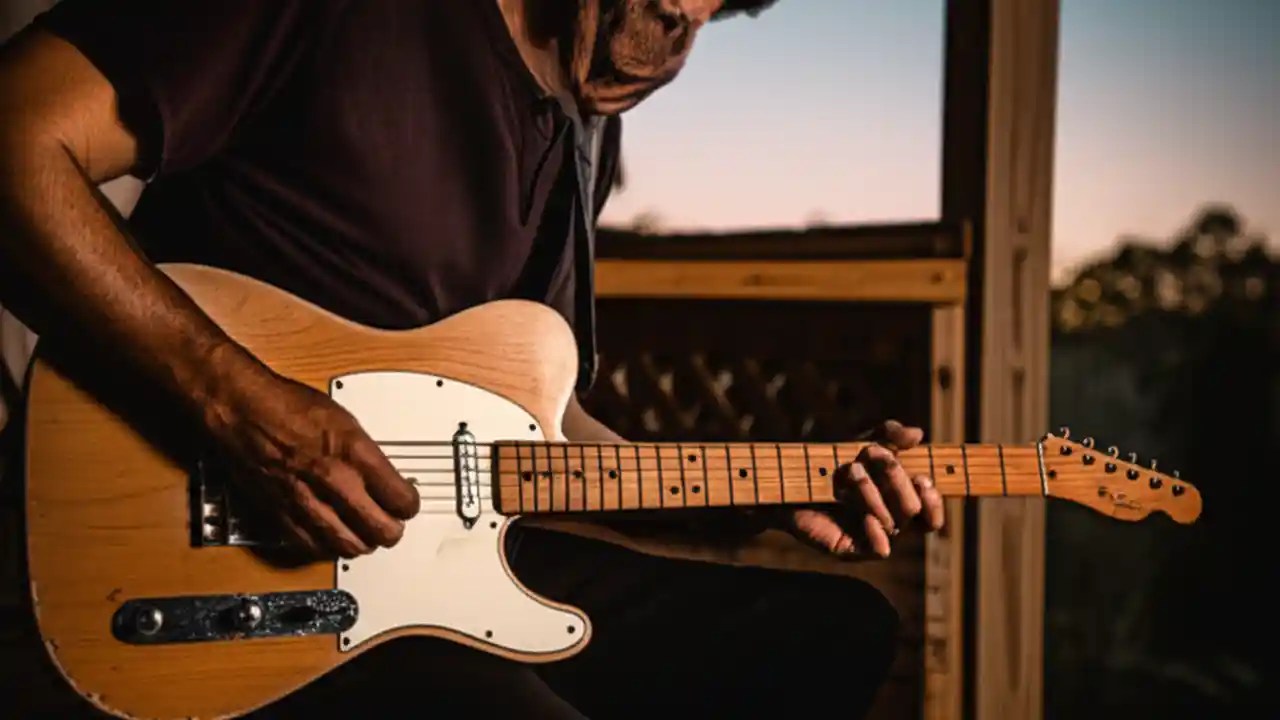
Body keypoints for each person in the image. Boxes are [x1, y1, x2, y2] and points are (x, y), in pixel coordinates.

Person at [0, 1, 946, 717]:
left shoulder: (584, 125)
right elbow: (16, 135)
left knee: (830, 637)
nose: (686, 23)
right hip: (234, 564)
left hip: (436, 565)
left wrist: (766, 490)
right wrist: (240, 405)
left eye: (725, 6)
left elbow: (538, 417)